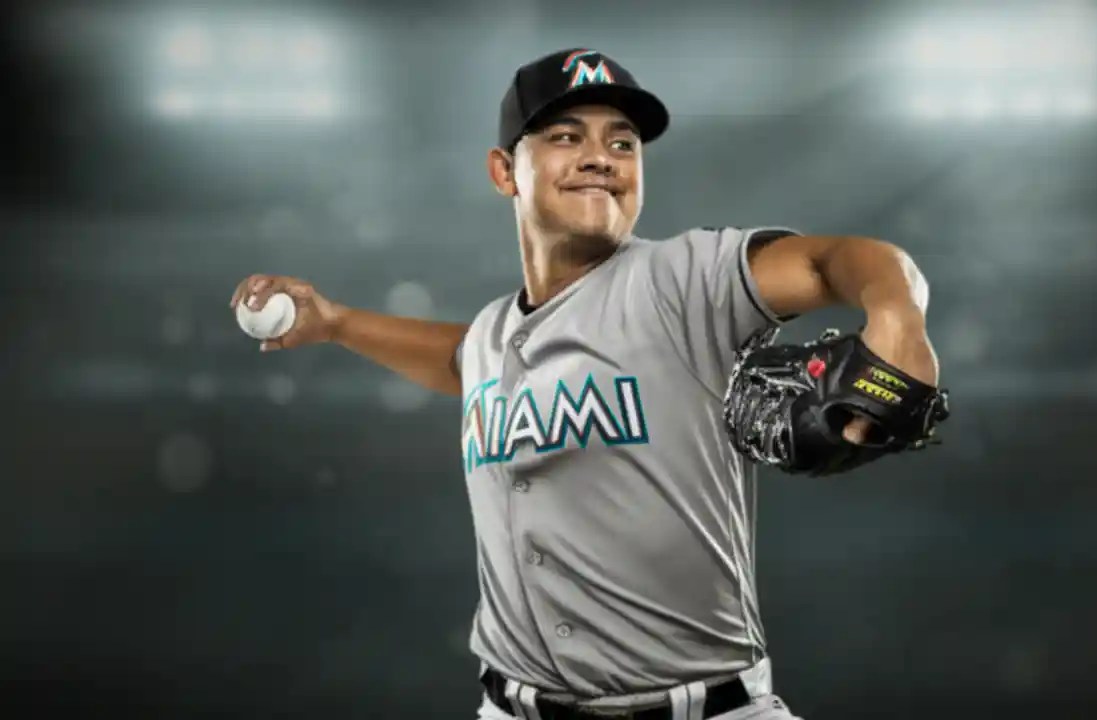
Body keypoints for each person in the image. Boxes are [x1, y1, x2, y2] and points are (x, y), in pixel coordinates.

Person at [230, 48, 939, 720]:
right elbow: (460, 360)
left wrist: (897, 316)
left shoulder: (682, 279)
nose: (601, 156)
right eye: (567, 137)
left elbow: (843, 262)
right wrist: (337, 322)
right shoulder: (492, 334)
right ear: (505, 171)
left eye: (623, 143)